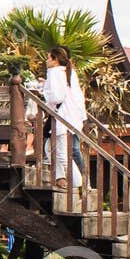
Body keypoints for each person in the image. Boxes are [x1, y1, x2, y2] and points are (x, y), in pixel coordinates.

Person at [43, 46, 87, 190]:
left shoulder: (54, 72)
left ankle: (79, 184)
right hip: (71, 115)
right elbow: (76, 95)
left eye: (49, 57)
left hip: (62, 115)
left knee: (62, 153)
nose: (46, 60)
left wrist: (46, 97)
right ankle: (61, 179)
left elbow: (57, 96)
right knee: (50, 147)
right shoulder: (69, 72)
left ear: (55, 60)